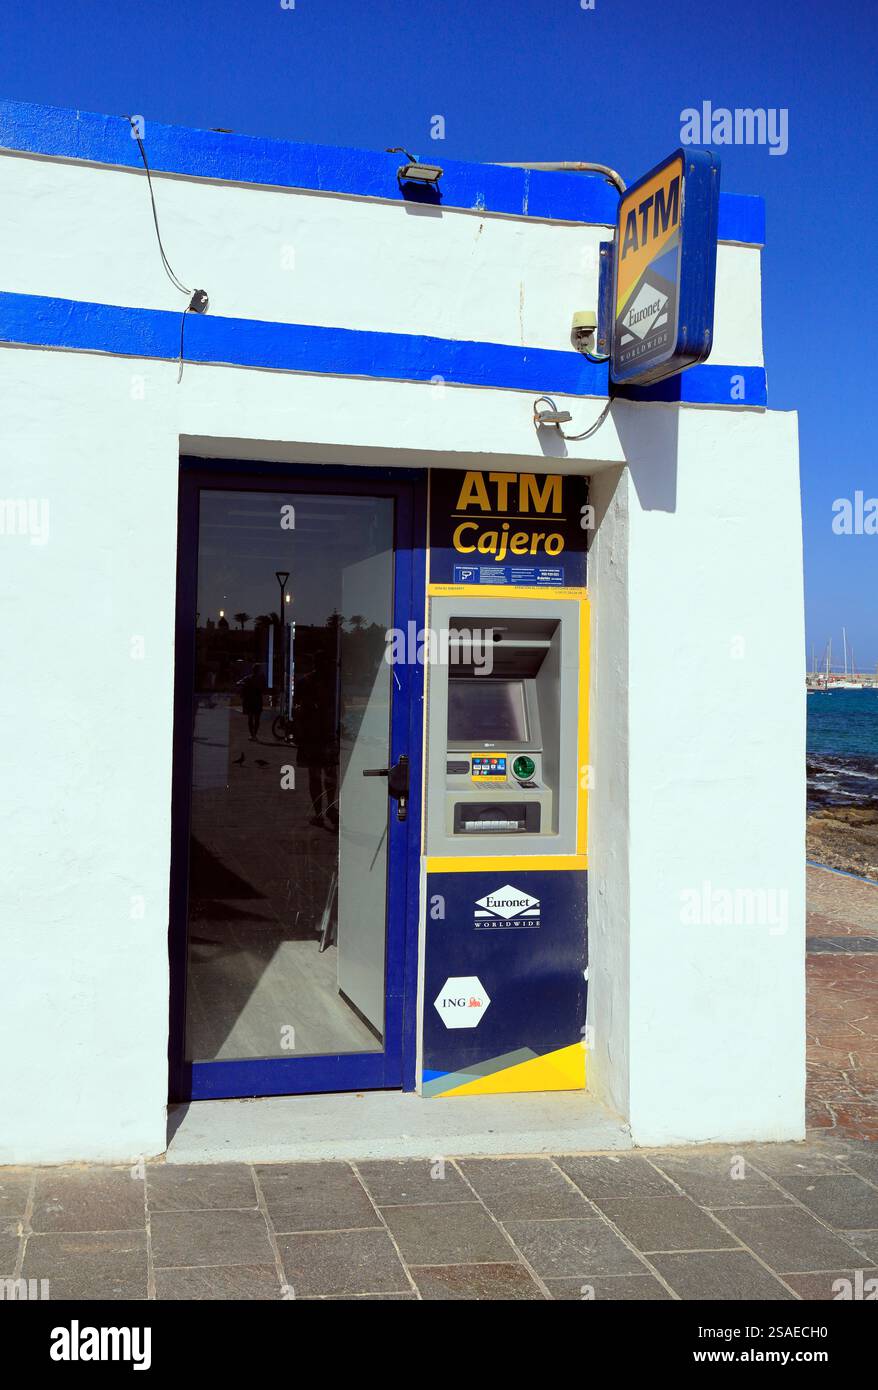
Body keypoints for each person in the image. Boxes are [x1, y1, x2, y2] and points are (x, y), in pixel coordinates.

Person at [240, 664, 266, 741]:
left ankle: (252, 735)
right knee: (257, 718)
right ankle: (254, 734)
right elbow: (263, 688)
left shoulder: (248, 678)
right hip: (257, 699)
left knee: (250, 718)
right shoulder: (261, 678)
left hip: (250, 700)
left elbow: (239, 683)